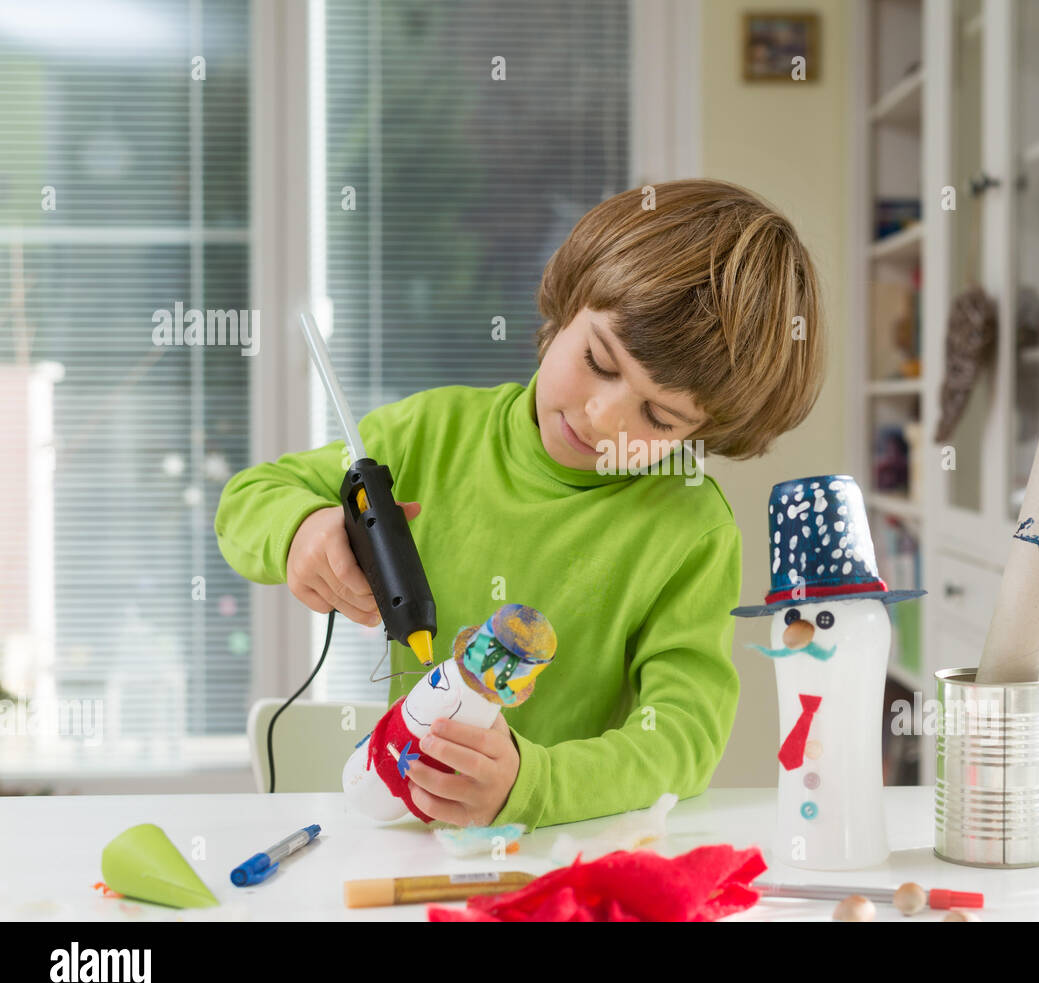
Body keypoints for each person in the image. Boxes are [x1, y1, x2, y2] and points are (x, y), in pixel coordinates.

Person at [215, 178, 826, 832]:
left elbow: (684, 738)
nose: (602, 418)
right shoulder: (431, 434)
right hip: (414, 837)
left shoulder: (690, 525)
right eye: (598, 359)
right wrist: (300, 531)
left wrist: (532, 786)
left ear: (702, 435)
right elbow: (248, 502)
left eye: (657, 415)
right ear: (566, 306)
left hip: (571, 847)